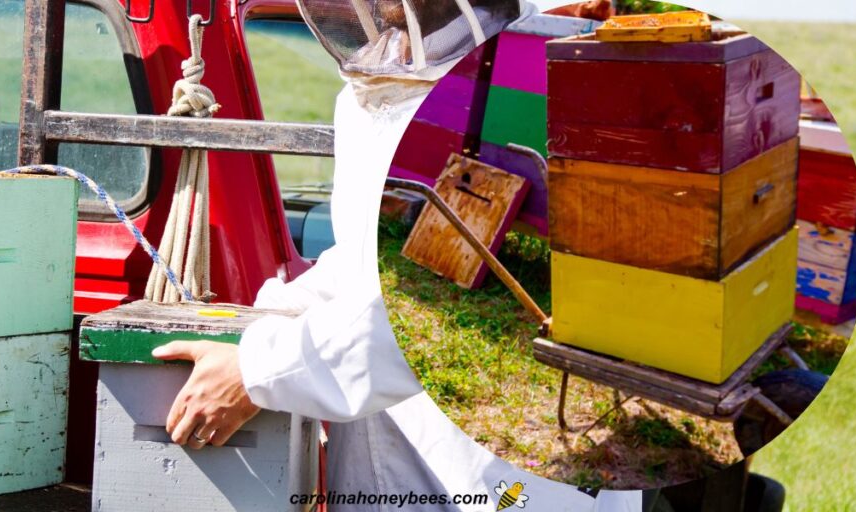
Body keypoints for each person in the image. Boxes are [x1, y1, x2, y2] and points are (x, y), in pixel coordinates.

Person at [151, 1, 642, 509]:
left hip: (502, 472)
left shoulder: (525, 86)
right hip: (395, 452)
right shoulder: (366, 92)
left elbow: (447, 298)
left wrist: (257, 371)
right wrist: (264, 318)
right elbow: (366, 258)